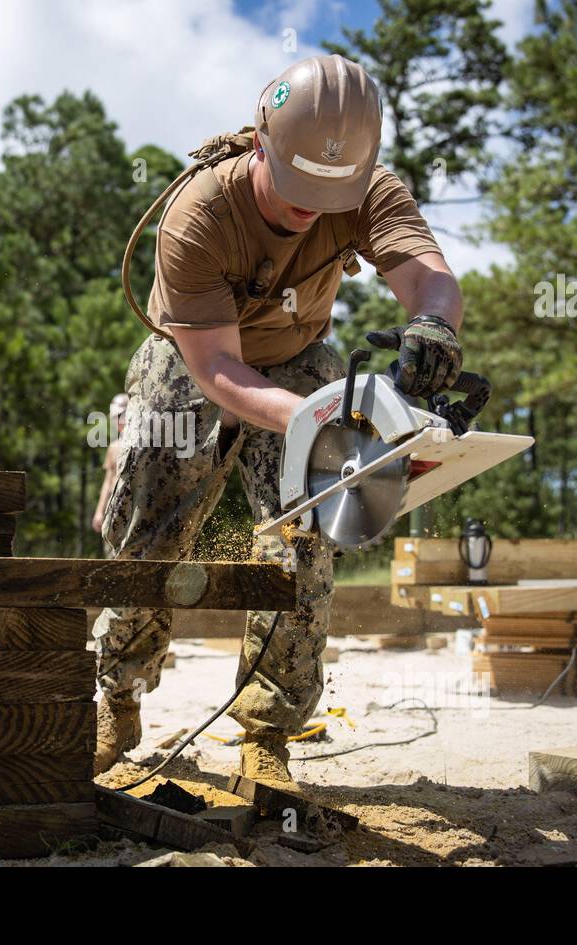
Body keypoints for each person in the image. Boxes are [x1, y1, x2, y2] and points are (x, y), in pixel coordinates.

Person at [94, 54, 465, 782]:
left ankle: (266, 734)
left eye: (331, 196)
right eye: (298, 190)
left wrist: (435, 323)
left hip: (298, 355)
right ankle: (119, 695)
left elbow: (428, 277)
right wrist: (317, 419)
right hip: (194, 358)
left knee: (308, 532)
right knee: (145, 535)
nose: (309, 210)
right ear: (261, 140)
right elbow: (219, 370)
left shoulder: (367, 188)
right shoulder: (197, 213)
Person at [92, 393, 130, 534]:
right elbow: (108, 481)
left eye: (121, 415)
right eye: (115, 417)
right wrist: (99, 511)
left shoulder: (146, 445)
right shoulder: (114, 448)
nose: (118, 420)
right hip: (114, 507)